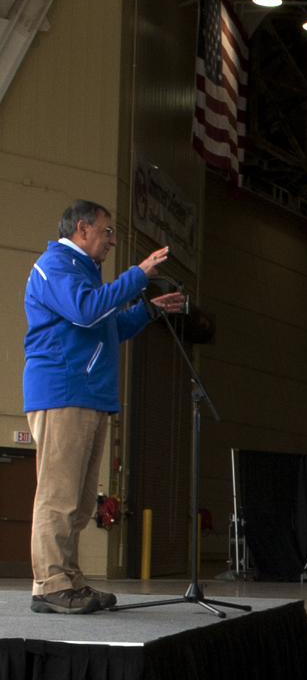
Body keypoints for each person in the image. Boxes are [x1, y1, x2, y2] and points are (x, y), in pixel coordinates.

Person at [23, 199, 184, 613]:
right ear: (82, 229)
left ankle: (70, 581)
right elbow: (85, 312)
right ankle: (49, 584)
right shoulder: (55, 265)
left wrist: (147, 311)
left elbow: (107, 326)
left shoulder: (84, 273)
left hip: (88, 395)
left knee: (78, 502)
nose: (112, 240)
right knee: (58, 497)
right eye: (107, 231)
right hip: (64, 392)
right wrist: (138, 275)